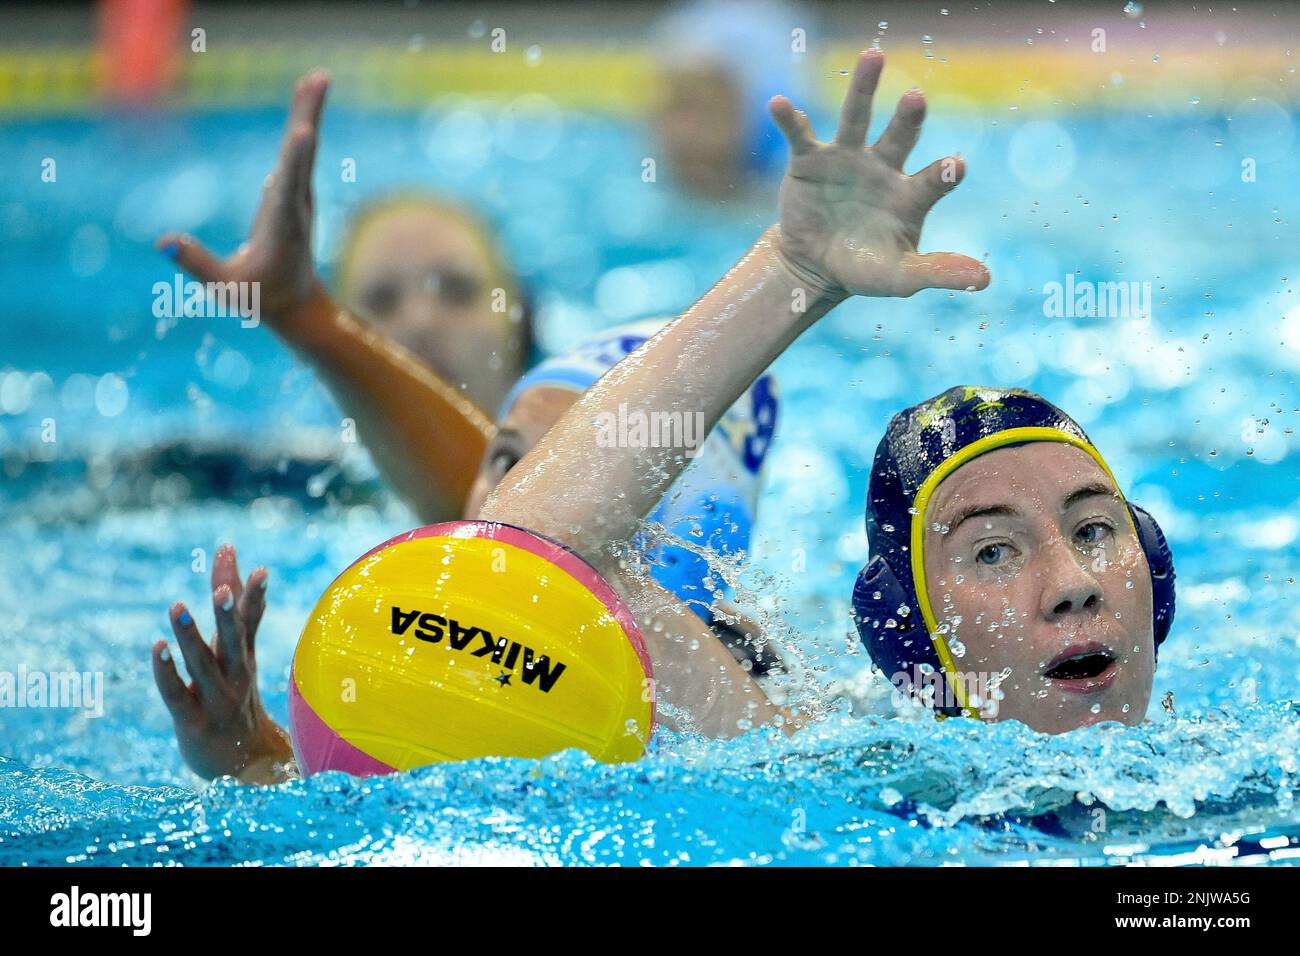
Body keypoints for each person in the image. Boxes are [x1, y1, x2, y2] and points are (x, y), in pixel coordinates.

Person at [478, 48, 1175, 737]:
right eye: (993, 551)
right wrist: (794, 271)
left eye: (1094, 531)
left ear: (1157, 577)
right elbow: (528, 566)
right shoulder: (866, 787)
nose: (1073, 582)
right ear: (908, 637)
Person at [156, 72, 525, 523]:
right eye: (382, 301)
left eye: (457, 291)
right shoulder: (287, 484)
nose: (422, 322)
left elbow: (506, 508)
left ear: (519, 320)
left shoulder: (603, 451)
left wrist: (304, 316)